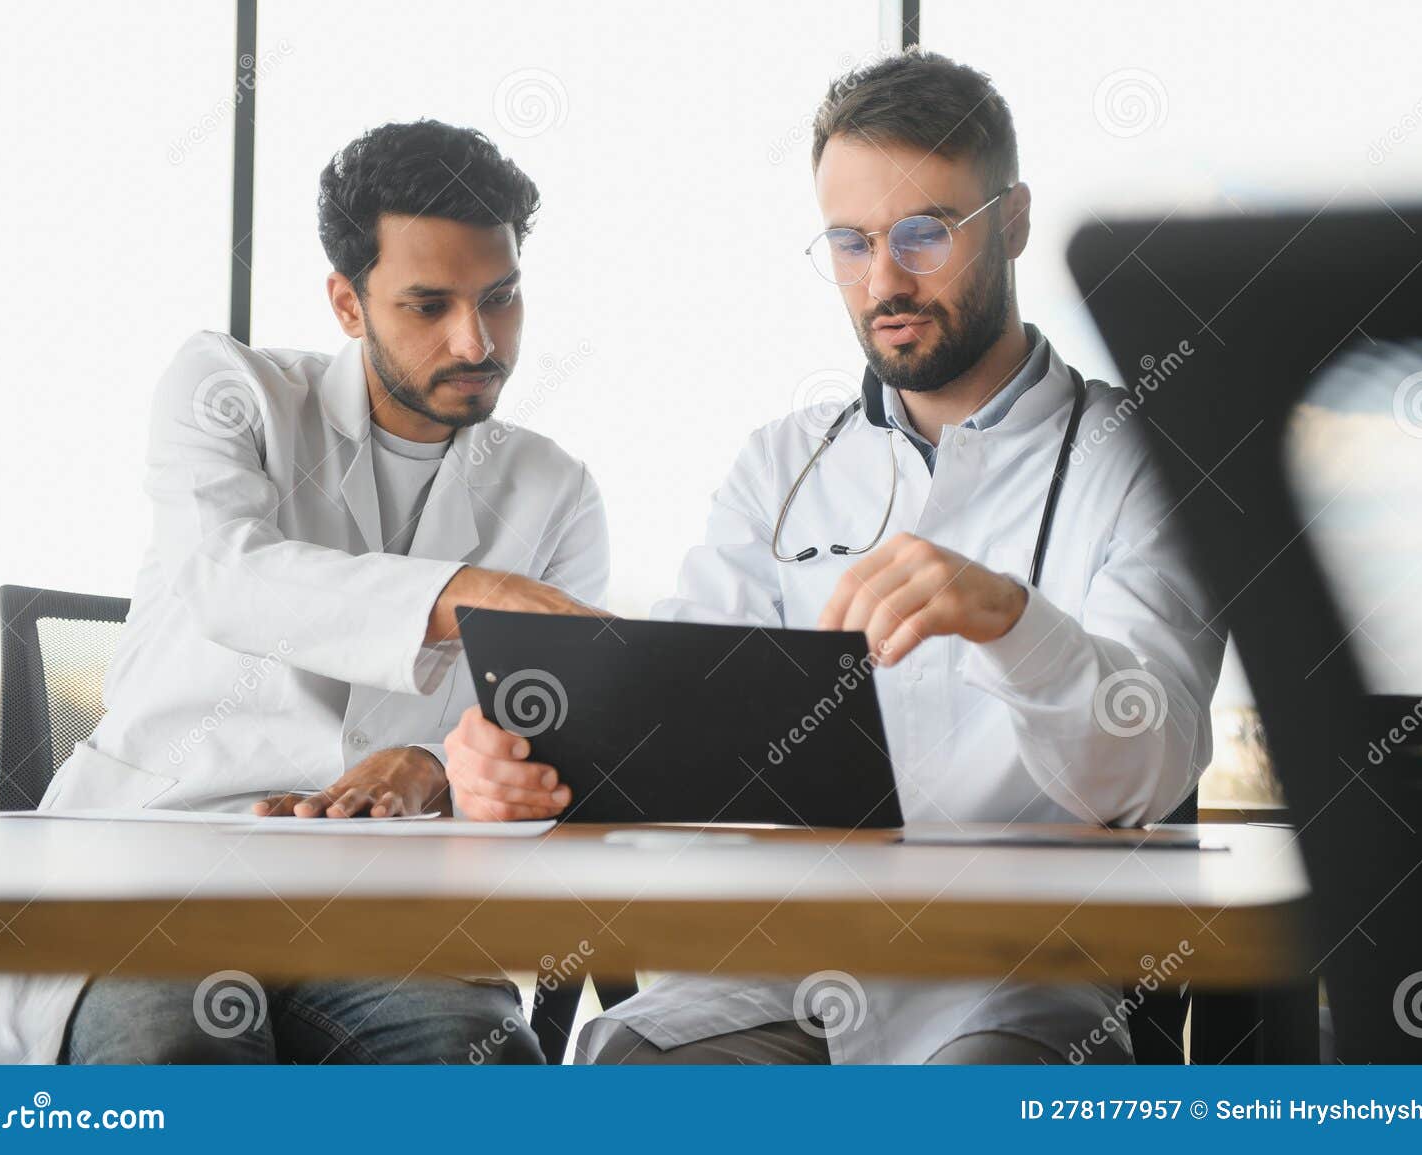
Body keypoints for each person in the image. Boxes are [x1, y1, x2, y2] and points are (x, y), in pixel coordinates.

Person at [440, 51, 1225, 1065]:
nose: (884, 280)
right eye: (850, 243)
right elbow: (665, 720)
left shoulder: (1142, 460)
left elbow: (1147, 767)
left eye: (924, 233)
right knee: (627, 1075)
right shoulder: (782, 464)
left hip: (1015, 989)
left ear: (1014, 222)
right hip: (783, 976)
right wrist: (518, 763)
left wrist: (1010, 619)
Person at [0, 119, 605, 1065]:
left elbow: (548, 730)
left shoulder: (555, 489)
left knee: (473, 1059)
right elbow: (230, 579)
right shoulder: (230, 390)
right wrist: (466, 592)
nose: (476, 339)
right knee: (177, 1056)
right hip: (159, 866)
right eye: (428, 305)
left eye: (500, 298)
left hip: (380, 898)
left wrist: (431, 765)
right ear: (348, 303)